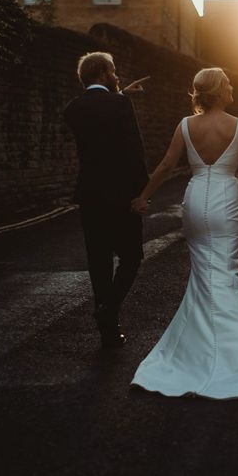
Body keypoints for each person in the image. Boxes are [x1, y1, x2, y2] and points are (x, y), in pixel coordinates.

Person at [129, 68, 238, 399]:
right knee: (226, 271)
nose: (233, 85)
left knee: (203, 273)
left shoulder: (185, 125)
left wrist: (144, 196)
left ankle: (196, 349)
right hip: (227, 199)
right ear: (220, 90)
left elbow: (166, 164)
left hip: (195, 200)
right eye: (228, 83)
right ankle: (237, 354)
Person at [63, 52, 150, 348]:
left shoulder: (73, 109)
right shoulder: (120, 104)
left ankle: (109, 333)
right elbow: (134, 150)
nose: (117, 76)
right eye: (113, 71)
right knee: (132, 257)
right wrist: (143, 193)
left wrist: (122, 94)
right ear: (102, 74)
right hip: (122, 196)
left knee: (98, 262)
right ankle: (108, 309)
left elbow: (98, 115)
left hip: (90, 197)